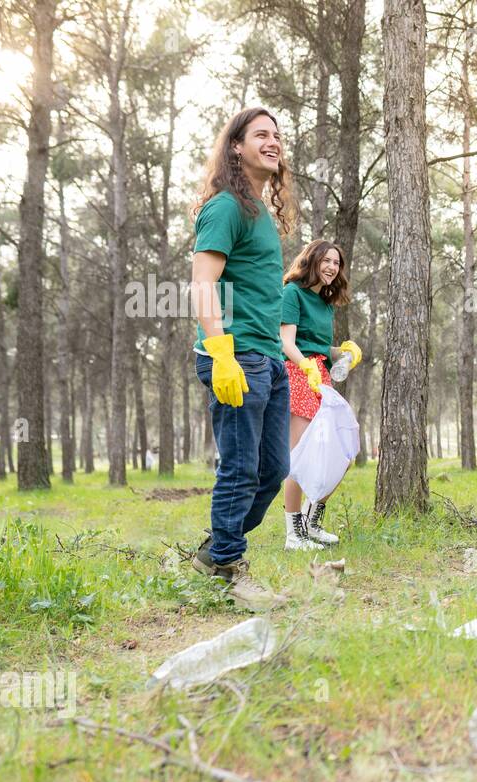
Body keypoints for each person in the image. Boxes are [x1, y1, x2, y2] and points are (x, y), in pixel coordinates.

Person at [188, 107, 295, 610]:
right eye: (261, 135)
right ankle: (228, 567)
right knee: (240, 468)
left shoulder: (260, 212)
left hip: (267, 356)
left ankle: (214, 551)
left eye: (277, 135)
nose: (273, 142)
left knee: (274, 469)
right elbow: (202, 285)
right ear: (236, 146)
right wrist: (220, 352)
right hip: (236, 355)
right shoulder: (227, 206)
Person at [278, 239, 362, 550]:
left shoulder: (325, 304)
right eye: (326, 260)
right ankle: (293, 534)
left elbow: (317, 345)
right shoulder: (292, 293)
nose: (331, 267)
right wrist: (305, 367)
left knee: (341, 452)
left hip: (320, 376)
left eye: (336, 263)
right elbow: (287, 341)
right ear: (312, 260)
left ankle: (312, 523)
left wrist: (345, 351)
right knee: (300, 457)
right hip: (297, 374)